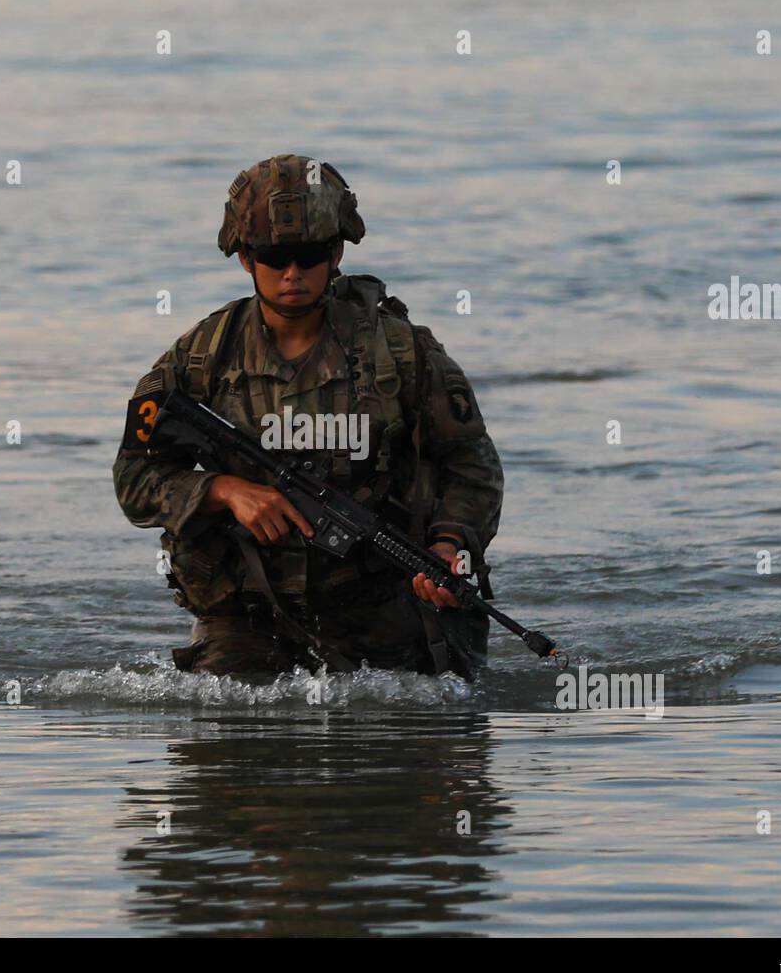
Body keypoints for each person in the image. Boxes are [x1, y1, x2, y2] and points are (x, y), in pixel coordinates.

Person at [113, 154, 503, 677]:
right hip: (248, 612)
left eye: (309, 255)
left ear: (337, 252)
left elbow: (472, 467)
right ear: (247, 259)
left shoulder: (402, 353)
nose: (292, 273)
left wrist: (446, 545)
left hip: (382, 599)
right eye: (275, 257)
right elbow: (134, 476)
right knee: (225, 736)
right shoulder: (203, 357)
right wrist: (224, 490)